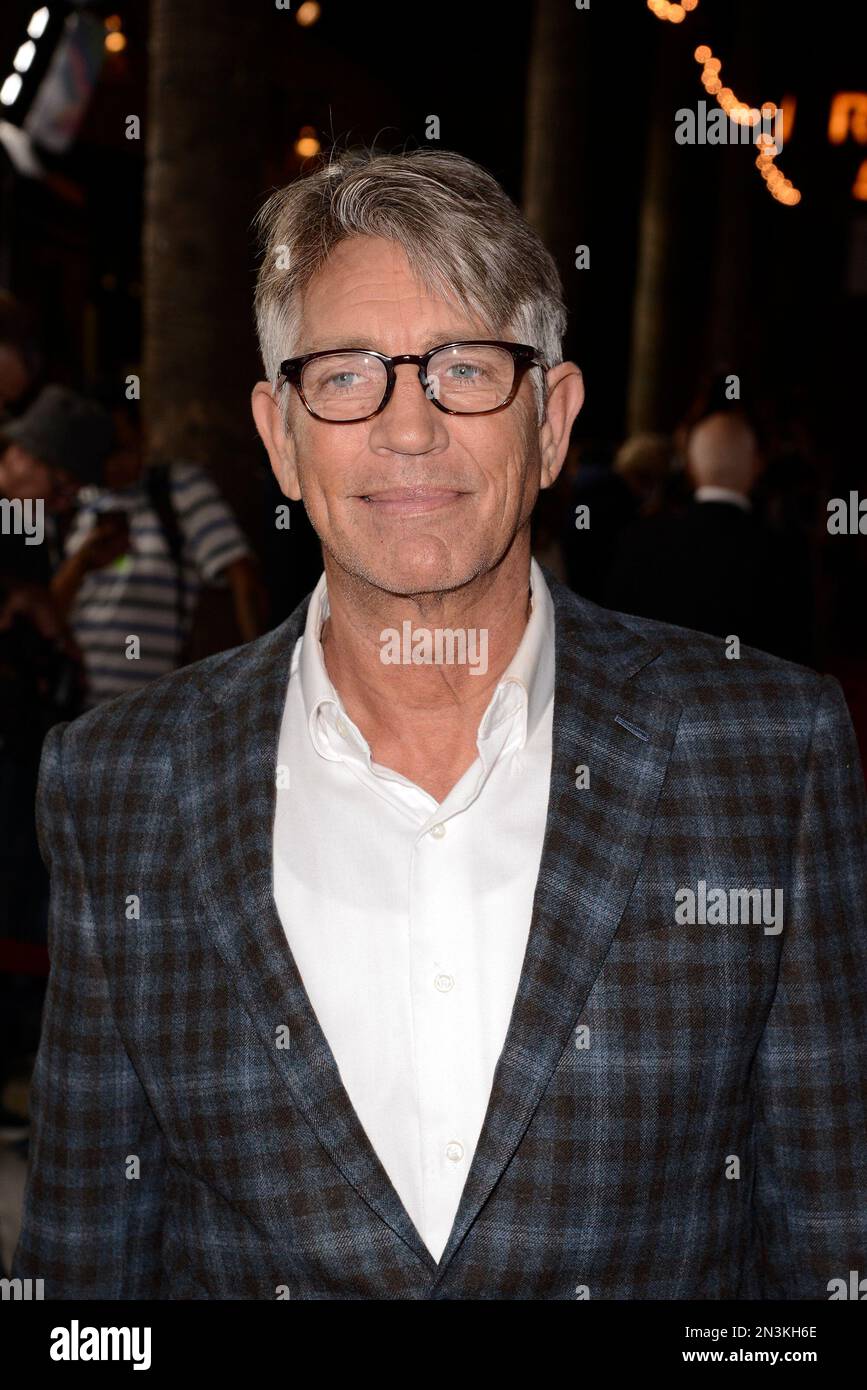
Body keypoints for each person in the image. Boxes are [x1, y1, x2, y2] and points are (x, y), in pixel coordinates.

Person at [12, 147, 867, 1300]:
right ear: (281, 435)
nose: (409, 428)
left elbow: (830, 1250)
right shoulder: (117, 781)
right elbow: (85, 1281)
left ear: (551, 418)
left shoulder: (770, 752)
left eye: (465, 367)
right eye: (349, 373)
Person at [50, 389, 267, 707]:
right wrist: (82, 561)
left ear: (143, 436)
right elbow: (46, 610)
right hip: (72, 710)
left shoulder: (177, 488)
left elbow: (241, 574)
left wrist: (261, 676)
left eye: (125, 448)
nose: (116, 463)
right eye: (105, 452)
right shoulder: (68, 501)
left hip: (151, 712)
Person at [605, 409, 817, 665]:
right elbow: (800, 661)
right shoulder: (786, 555)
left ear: (691, 467)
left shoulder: (639, 541)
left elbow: (615, 644)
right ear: (756, 465)